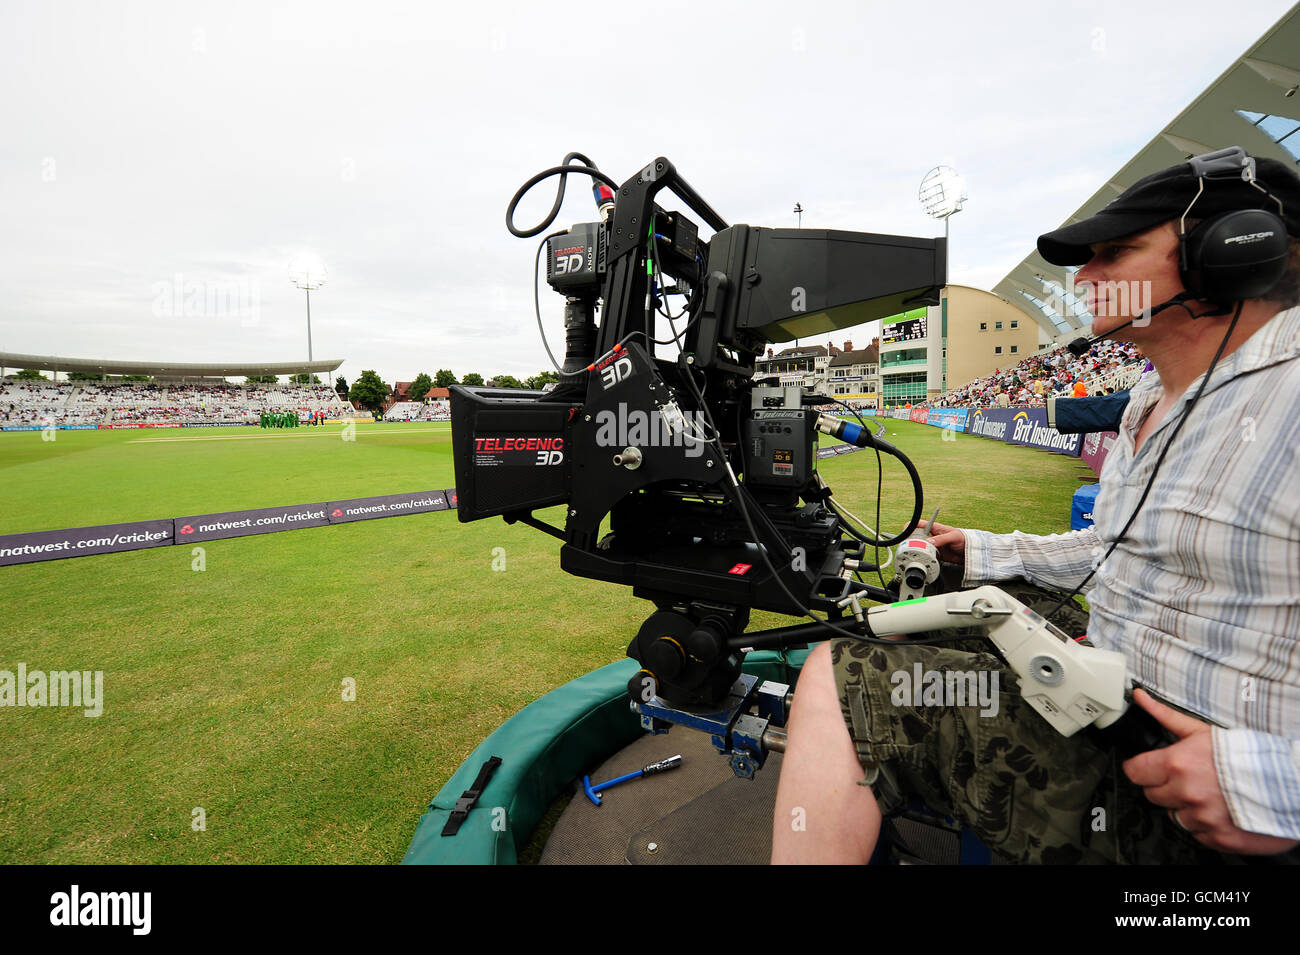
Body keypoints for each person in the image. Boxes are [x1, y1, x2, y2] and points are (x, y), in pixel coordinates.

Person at [771, 149, 1300, 864]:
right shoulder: (1152, 396)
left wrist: (1270, 783)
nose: (1085, 277)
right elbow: (1111, 547)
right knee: (946, 597)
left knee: (840, 677)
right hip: (1112, 692)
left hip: (1193, 802)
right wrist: (981, 549)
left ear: (1229, 257)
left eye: (1116, 253)